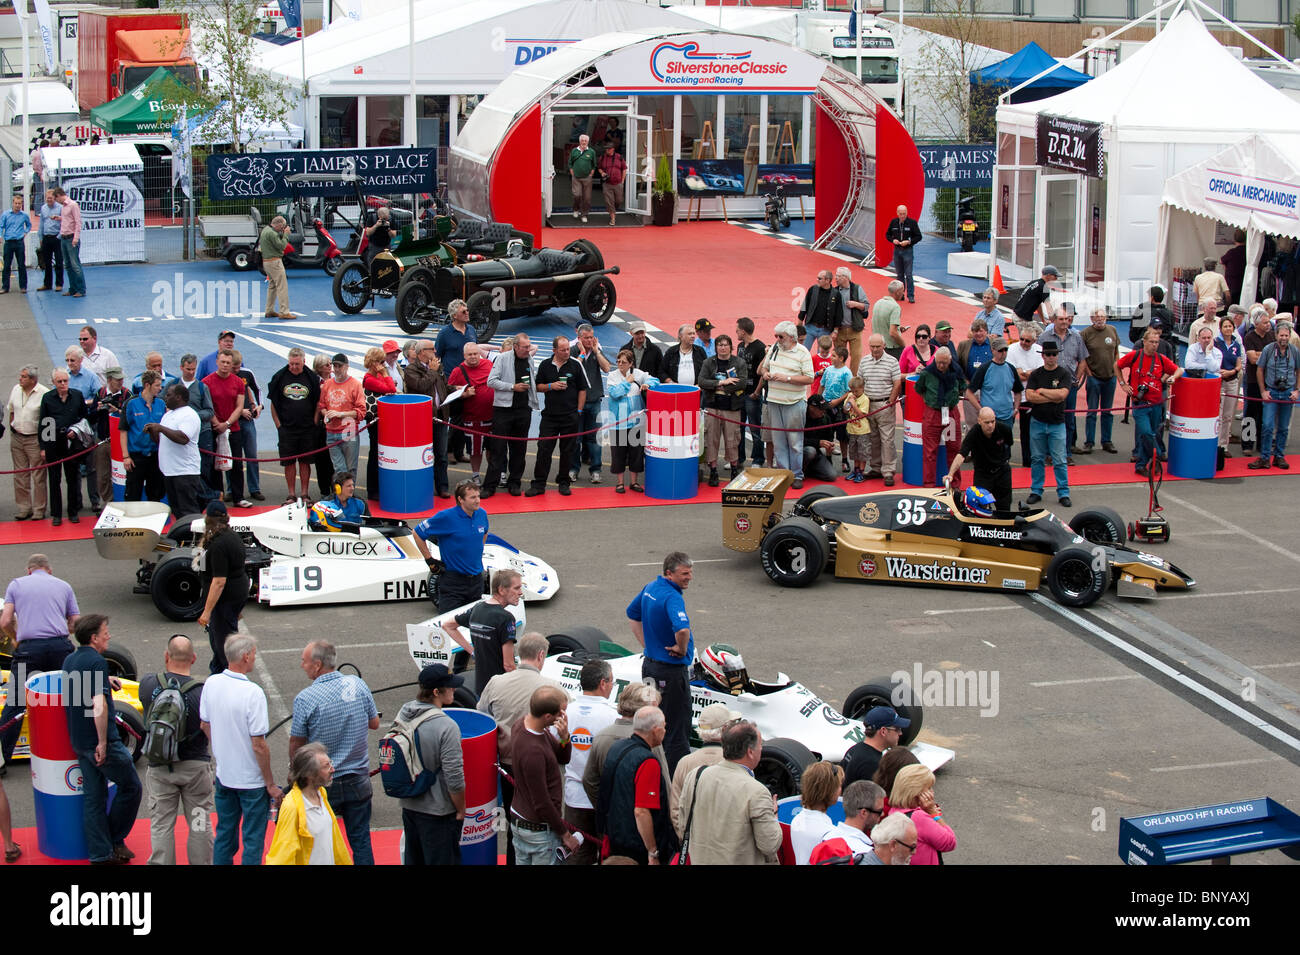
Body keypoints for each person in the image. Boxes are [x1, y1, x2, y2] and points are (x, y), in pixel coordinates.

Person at [288, 639, 379, 866]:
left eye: (304, 661)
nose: (302, 666)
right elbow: (375, 723)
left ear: (317, 665)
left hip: (322, 783)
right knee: (360, 841)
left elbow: (296, 744)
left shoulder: (306, 698)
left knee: (321, 841)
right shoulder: (357, 685)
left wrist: (294, 774)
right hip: (358, 779)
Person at [63, 614, 142, 864]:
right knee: (131, 787)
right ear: (94, 638)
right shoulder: (97, 662)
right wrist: (103, 743)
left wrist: (105, 681)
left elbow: (79, 688)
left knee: (93, 798)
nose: (109, 636)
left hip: (78, 740)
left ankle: (100, 854)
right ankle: (116, 839)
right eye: (105, 632)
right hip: (99, 741)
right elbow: (98, 705)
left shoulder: (70, 660)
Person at [476, 633, 559, 865]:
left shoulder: (496, 682)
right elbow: (563, 726)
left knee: (515, 820)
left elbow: (482, 718)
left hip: (507, 765)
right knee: (542, 821)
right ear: (541, 656)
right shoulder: (551, 687)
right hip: (541, 767)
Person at [200, 633, 283, 865]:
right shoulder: (252, 693)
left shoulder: (212, 683)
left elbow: (205, 724)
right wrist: (269, 782)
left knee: (225, 833)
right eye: (254, 654)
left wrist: (223, 749)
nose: (255, 658)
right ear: (246, 656)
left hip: (225, 776)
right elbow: (259, 745)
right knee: (253, 839)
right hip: (251, 782)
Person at [138, 635, 212, 866]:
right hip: (195, 769)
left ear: (166, 656)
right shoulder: (203, 693)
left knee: (162, 825)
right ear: (194, 658)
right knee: (199, 824)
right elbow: (207, 727)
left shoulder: (149, 684)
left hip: (160, 767)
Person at [0, 555, 78, 762]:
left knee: (15, 702)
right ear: (49, 570)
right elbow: (75, 623)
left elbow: (5, 620)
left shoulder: (16, 585)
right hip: (60, 647)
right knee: (73, 697)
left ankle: (2, 757)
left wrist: (17, 639)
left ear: (29, 571)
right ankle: (77, 750)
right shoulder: (64, 586)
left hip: (29, 650)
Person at [675, 720, 782, 865]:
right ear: (750, 752)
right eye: (760, 745)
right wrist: (774, 816)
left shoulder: (696, 776)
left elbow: (682, 826)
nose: (761, 749)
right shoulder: (756, 791)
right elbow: (769, 845)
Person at [626, 552, 696, 774]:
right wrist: (681, 648)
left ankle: (650, 766)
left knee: (652, 717)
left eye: (690, 572)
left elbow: (632, 613)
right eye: (684, 573)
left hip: (651, 666)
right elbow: (682, 629)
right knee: (676, 727)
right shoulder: (672, 597)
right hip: (671, 672)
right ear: (669, 573)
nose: (689, 577)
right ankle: (675, 776)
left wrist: (647, 645)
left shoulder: (650, 588)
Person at [396, 662, 468, 866]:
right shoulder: (446, 726)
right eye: (450, 685)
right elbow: (454, 777)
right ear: (436, 691)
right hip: (438, 813)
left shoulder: (404, 712)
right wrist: (461, 809)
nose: (455, 688)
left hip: (409, 805)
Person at [595, 706, 677, 865]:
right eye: (665, 727)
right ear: (656, 730)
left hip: (613, 837)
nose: (665, 731)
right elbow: (641, 812)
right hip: (636, 847)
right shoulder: (648, 762)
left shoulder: (617, 747)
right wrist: (653, 852)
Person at [510, 685, 579, 864]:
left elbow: (563, 758)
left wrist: (565, 738)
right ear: (548, 716)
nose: (563, 717)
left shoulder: (525, 726)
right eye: (561, 713)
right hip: (538, 831)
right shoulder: (534, 752)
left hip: (522, 823)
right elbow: (541, 802)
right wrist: (564, 834)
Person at [563, 659, 618, 865]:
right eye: (611, 682)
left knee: (578, 855)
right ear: (603, 683)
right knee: (608, 855)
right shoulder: (613, 717)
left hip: (574, 797)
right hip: (604, 799)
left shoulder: (567, 712)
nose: (612, 686)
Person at [266, 743, 352, 865]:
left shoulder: (321, 793)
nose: (332, 769)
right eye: (326, 766)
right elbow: (282, 853)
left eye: (330, 763)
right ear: (309, 774)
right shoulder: (292, 806)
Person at [441, 568, 522, 696]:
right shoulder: (506, 618)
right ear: (501, 590)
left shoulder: (478, 608)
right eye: (516, 588)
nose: (520, 593)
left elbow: (448, 625)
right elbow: (508, 665)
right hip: (500, 690)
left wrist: (473, 652)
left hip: (481, 688)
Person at [414, 480, 489, 614]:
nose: (477, 500)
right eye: (473, 497)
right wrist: (429, 559)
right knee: (448, 625)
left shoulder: (482, 514)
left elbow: (485, 531)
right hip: (453, 583)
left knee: (473, 626)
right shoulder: (446, 517)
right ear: (460, 499)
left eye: (478, 496)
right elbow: (417, 532)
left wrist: (477, 550)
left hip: (477, 580)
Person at [527, 335, 587, 497]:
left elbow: (583, 389)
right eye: (563, 350)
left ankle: (564, 482)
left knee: (567, 451)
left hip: (570, 416)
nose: (567, 352)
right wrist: (550, 386)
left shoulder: (576, 365)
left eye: (568, 349)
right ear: (554, 350)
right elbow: (538, 387)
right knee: (543, 451)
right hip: (550, 417)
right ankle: (539, 484)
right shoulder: (546, 365)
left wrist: (579, 412)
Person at [1118, 328, 1182, 478]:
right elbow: (1117, 366)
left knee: (1152, 433)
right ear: (1144, 342)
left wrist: (1173, 378)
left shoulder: (1160, 359)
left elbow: (1177, 370)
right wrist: (1122, 383)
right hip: (1140, 404)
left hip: (1156, 404)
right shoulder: (1134, 356)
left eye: (1157, 342)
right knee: (1146, 433)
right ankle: (1157, 454)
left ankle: (1142, 464)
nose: (1154, 345)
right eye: (1152, 342)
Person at [668, 702, 738, 838]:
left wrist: (686, 839)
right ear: (724, 729)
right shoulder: (735, 762)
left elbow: (675, 809)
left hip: (690, 844)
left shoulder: (685, 762)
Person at [757, 321, 814, 488]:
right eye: (776, 336)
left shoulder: (803, 353)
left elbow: (809, 378)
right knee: (779, 440)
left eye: (780, 336)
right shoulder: (775, 348)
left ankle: (797, 474)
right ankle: (783, 473)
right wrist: (766, 374)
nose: (777, 339)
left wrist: (787, 378)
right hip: (774, 400)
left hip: (794, 402)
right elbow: (762, 369)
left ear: (791, 337)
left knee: (795, 440)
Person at [482, 333, 538, 499]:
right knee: (498, 449)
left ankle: (515, 483)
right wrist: (512, 387)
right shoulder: (502, 358)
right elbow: (491, 381)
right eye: (525, 347)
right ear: (515, 346)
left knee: (519, 450)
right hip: (503, 410)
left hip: (523, 410)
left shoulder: (529, 359)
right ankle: (489, 485)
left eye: (529, 346)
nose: (529, 350)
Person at [196, 501, 249, 674]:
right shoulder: (229, 536)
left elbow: (219, 581)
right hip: (236, 594)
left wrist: (206, 612)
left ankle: (228, 677)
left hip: (225, 599)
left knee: (223, 645)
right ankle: (217, 672)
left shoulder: (219, 544)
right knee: (220, 642)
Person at [268, 348, 320, 503]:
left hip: (307, 428)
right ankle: (291, 494)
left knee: (305, 462)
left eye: (297, 364)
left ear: (304, 361)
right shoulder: (279, 377)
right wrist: (278, 425)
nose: (294, 367)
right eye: (291, 364)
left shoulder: (311, 377)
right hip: (287, 429)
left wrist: (315, 422)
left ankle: (304, 494)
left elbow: (318, 402)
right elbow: (273, 403)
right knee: (289, 462)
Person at [1025, 340, 1073, 506]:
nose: (1051, 357)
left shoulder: (1064, 374)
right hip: (1038, 422)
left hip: (1057, 423)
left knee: (1059, 459)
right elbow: (1030, 396)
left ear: (1057, 355)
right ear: (1043, 356)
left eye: (1054, 354)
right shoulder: (1036, 374)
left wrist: (1043, 391)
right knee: (1037, 458)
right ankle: (1036, 490)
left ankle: (1063, 492)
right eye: (1048, 354)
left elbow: (1062, 395)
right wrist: (1052, 396)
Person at [38, 369, 87, 526]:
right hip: (53, 442)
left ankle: (73, 512)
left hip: (71, 443)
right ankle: (56, 514)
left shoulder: (77, 395)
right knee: (54, 479)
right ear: (54, 383)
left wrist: (76, 431)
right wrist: (44, 447)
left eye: (65, 381)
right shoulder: (47, 398)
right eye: (60, 382)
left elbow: (84, 418)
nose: (63, 384)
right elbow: (44, 423)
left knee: (73, 478)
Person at [1038, 307, 1090, 457]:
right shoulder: (1044, 336)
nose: (1065, 322)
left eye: (1067, 319)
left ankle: (1066, 453)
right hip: (1049, 386)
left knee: (1068, 420)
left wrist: (1075, 380)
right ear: (1054, 320)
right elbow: (1037, 359)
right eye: (1061, 319)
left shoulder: (1076, 337)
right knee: (1048, 418)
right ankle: (1048, 453)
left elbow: (1082, 360)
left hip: (1069, 386)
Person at [204, 350, 252, 508]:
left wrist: (227, 424)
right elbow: (207, 405)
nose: (225, 365)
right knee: (214, 465)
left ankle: (238, 497)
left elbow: (239, 406)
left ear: (232, 365)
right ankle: (218, 497)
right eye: (222, 362)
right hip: (214, 429)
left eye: (228, 363)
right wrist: (216, 423)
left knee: (236, 464)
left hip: (233, 428)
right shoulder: (207, 382)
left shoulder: (238, 382)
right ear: (217, 362)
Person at [149, 384, 205, 518]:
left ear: (179, 397)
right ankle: (183, 537)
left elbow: (183, 438)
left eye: (168, 395)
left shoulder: (189, 415)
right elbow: (161, 440)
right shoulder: (168, 415)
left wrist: (161, 428)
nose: (165, 397)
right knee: (177, 509)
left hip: (185, 472)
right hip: (170, 471)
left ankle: (194, 537)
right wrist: (153, 431)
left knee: (189, 510)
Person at [1251, 319, 1300, 470]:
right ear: (1276, 335)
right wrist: (1263, 391)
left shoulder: (1294, 351)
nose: (1284, 338)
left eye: (1286, 335)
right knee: (1267, 425)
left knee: (1283, 427)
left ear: (1289, 336)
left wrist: (1297, 390)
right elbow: (1260, 370)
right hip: (1271, 392)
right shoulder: (1268, 349)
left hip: (1288, 393)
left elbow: (1299, 371)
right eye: (1281, 335)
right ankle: (1265, 457)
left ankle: (1279, 456)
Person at [700, 334, 748, 486]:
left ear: (731, 346)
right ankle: (713, 470)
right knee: (711, 440)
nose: (722, 347)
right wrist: (721, 382)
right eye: (720, 345)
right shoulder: (708, 362)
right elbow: (702, 381)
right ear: (716, 348)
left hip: (731, 408)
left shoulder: (739, 362)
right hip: (712, 407)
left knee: (732, 439)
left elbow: (742, 382)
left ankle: (734, 468)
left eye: (725, 344)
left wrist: (723, 387)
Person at [947, 407, 1015, 512]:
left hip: (1002, 471)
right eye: (987, 422)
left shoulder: (1004, 429)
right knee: (979, 506)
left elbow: (1009, 444)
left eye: (993, 421)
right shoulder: (973, 433)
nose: (990, 425)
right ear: (979, 421)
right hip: (983, 473)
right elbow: (961, 455)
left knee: (1004, 507)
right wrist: (950, 474)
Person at [916, 347, 965, 487]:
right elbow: (919, 388)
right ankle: (929, 485)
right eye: (938, 362)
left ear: (950, 360)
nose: (941, 366)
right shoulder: (927, 373)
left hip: (951, 412)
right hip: (933, 413)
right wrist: (930, 399)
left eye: (944, 363)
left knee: (955, 450)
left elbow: (962, 385)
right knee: (929, 452)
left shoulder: (956, 371)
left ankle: (955, 485)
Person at [887, 764, 955, 865]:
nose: (932, 792)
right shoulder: (918, 818)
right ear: (916, 791)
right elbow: (949, 843)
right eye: (929, 788)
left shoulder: (893, 811)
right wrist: (934, 814)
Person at [605, 348, 653, 493]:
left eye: (624, 362)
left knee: (636, 453)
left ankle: (634, 482)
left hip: (637, 422)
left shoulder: (638, 374)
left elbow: (654, 379)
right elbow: (615, 394)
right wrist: (626, 382)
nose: (620, 364)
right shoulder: (612, 376)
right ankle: (620, 483)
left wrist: (647, 384)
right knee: (618, 454)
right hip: (618, 423)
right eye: (618, 361)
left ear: (631, 363)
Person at [446, 341, 493, 485]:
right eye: (469, 354)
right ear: (464, 356)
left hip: (493, 416)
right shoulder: (457, 371)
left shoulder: (489, 365)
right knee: (475, 451)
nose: (473, 357)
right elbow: (449, 391)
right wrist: (463, 394)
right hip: (472, 418)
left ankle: (494, 474)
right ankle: (476, 475)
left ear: (480, 354)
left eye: (475, 354)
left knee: (493, 448)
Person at [966, 337, 1021, 450]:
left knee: (1005, 449)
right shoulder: (985, 368)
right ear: (993, 350)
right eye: (1000, 350)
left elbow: (1018, 391)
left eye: (1005, 350)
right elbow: (969, 392)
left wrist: (1016, 408)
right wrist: (981, 410)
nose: (1003, 353)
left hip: (1007, 417)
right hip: (990, 419)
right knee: (988, 450)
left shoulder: (1011, 368)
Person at [570, 323, 609, 484]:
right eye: (586, 338)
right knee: (575, 439)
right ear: (579, 338)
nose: (589, 340)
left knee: (594, 439)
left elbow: (607, 368)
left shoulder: (596, 350)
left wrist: (596, 351)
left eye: (591, 337)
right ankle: (573, 469)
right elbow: (572, 372)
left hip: (594, 401)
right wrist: (582, 353)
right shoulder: (571, 351)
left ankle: (596, 470)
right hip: (576, 403)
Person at [8, 364, 47, 520]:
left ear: (33, 379)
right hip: (17, 438)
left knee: (38, 476)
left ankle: (39, 509)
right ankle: (24, 508)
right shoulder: (16, 389)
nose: (20, 379)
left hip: (34, 439)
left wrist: (45, 445)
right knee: (20, 475)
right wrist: (13, 427)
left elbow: (48, 421)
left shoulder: (44, 393)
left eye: (24, 376)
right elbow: (11, 410)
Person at [1078, 308, 1120, 453]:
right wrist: (1089, 374)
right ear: (1091, 319)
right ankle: (1089, 442)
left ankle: (1106, 441)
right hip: (1094, 378)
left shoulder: (1112, 330)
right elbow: (1081, 356)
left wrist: (1116, 369)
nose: (1100, 319)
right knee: (1092, 411)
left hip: (1110, 377)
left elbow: (1116, 351)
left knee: (1107, 411)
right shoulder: (1085, 334)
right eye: (1097, 317)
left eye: (1102, 316)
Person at [121, 371, 166, 502]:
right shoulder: (131, 404)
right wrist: (126, 457)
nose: (160, 388)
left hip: (155, 456)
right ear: (147, 385)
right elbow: (123, 431)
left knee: (155, 494)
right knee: (133, 495)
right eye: (157, 385)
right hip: (136, 458)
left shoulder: (161, 404)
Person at [319, 353, 365, 479]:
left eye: (340, 366)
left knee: (350, 468)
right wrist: (326, 414)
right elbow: (321, 405)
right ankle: (341, 496)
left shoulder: (355, 385)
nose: (337, 369)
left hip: (348, 429)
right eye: (335, 366)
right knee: (339, 468)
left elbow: (361, 411)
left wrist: (341, 414)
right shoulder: (327, 384)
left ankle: (348, 495)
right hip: (331, 430)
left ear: (347, 366)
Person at [361, 346, 398, 495]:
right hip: (374, 420)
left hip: (383, 419)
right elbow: (391, 389)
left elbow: (389, 387)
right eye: (381, 362)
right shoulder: (369, 379)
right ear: (374, 362)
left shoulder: (377, 377)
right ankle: (373, 489)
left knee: (380, 452)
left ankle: (379, 486)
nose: (383, 365)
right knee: (375, 452)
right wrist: (385, 373)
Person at [841, 706, 910, 786]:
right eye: (897, 729)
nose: (900, 733)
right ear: (883, 731)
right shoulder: (872, 764)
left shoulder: (855, 749)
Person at [790, 761, 843, 864]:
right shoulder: (830, 834)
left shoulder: (797, 820)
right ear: (829, 790)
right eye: (839, 785)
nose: (841, 790)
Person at [1007, 323, 1043, 466]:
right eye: (1021, 339)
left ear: (1034, 341)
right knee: (1007, 428)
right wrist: (1029, 373)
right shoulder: (1012, 349)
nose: (1023, 343)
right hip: (1012, 396)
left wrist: (1025, 372)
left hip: (1029, 396)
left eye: (1027, 341)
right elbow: (1015, 374)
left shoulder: (1039, 350)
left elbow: (1038, 374)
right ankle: (1005, 458)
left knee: (1028, 430)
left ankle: (1028, 460)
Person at [1241, 307, 1276, 456]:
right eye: (1265, 323)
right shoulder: (1249, 337)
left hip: (1268, 379)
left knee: (1264, 413)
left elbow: (1274, 356)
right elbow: (1253, 359)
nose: (1268, 325)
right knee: (1251, 412)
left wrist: (1261, 354)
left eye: (1268, 322)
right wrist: (1266, 355)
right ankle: (1247, 444)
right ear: (1256, 324)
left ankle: (1262, 444)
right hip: (1252, 380)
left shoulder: (1272, 336)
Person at [92, 367, 129, 505]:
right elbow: (90, 416)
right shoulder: (100, 393)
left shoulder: (127, 394)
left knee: (122, 475)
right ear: (109, 380)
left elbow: (130, 417)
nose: (121, 382)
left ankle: (123, 501)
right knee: (102, 476)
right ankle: (108, 503)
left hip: (120, 442)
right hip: (103, 440)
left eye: (121, 379)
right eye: (117, 379)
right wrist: (97, 409)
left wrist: (117, 411)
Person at [231, 351, 264, 501]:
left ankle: (254, 488)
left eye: (238, 367)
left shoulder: (247, 373)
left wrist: (259, 405)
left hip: (248, 418)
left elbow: (258, 389)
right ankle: (231, 490)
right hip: (233, 420)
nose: (236, 371)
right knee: (231, 456)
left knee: (251, 455)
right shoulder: (225, 376)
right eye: (234, 368)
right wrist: (239, 411)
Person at [736, 318, 767, 465]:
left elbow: (762, 372)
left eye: (737, 330)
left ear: (743, 331)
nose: (736, 332)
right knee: (738, 428)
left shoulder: (760, 347)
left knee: (755, 428)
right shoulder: (740, 346)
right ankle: (739, 457)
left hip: (752, 393)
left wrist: (757, 392)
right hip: (740, 393)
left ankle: (758, 459)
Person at [1215, 316, 1244, 456]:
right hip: (1219, 382)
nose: (1228, 329)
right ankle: (1215, 445)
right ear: (1220, 329)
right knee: (1218, 415)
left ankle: (1224, 445)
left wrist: (1232, 371)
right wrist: (1220, 372)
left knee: (1227, 416)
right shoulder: (1215, 343)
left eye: (1230, 326)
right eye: (1225, 326)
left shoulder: (1236, 344)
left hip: (1232, 381)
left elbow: (1239, 364)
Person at [834, 780, 886, 853]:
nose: (883, 814)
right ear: (864, 813)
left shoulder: (827, 837)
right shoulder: (864, 852)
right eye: (879, 811)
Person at [833, 266, 869, 370]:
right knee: (839, 357)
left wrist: (855, 304)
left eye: (838, 276)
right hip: (840, 330)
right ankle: (839, 376)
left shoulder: (857, 288)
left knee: (856, 357)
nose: (836, 278)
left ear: (846, 278)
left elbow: (866, 306)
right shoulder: (834, 291)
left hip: (855, 329)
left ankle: (853, 380)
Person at [885, 204, 921, 303]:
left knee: (908, 274)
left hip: (908, 251)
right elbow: (887, 234)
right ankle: (900, 294)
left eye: (904, 214)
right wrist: (893, 240)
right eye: (900, 214)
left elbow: (918, 236)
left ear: (907, 213)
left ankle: (911, 295)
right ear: (897, 213)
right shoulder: (893, 222)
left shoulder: (912, 223)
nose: (902, 216)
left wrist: (909, 242)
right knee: (899, 274)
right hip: (897, 250)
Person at [52, 187, 85, 297]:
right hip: (64, 237)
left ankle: (81, 289)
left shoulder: (73, 205)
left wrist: (76, 238)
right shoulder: (64, 207)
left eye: (56, 199)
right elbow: (68, 219)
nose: (57, 202)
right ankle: (73, 288)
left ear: (59, 196)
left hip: (71, 238)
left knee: (75, 264)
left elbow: (78, 222)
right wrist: (60, 218)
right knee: (68, 265)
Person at [260, 214, 292, 319]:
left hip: (267, 262)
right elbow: (282, 245)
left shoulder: (265, 230)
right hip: (275, 262)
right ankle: (284, 312)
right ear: (277, 225)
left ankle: (269, 310)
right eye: (282, 227)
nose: (282, 229)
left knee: (272, 286)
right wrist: (286, 234)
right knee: (282, 286)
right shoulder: (272, 234)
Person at [798, 270, 840, 350]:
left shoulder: (836, 294)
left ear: (827, 280)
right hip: (810, 327)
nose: (817, 280)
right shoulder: (813, 289)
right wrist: (800, 322)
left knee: (822, 354)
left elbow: (838, 313)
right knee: (803, 351)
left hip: (825, 330)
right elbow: (805, 306)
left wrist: (835, 330)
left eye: (820, 278)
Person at [843, 376, 872, 483]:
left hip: (862, 431)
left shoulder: (865, 399)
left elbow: (861, 415)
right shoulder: (851, 396)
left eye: (857, 391)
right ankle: (855, 470)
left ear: (862, 388)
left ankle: (861, 471)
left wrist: (854, 404)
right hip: (852, 430)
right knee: (854, 452)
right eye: (852, 391)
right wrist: (849, 402)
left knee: (862, 452)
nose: (854, 393)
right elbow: (845, 410)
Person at [0, 194, 30, 293]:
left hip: (19, 242)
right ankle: (5, 287)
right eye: (16, 203)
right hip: (8, 242)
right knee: (7, 265)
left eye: (19, 203)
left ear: (21, 204)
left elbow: (29, 225)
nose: (17, 205)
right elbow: (1, 226)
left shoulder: (24, 215)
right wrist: (0, 236)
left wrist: (25, 232)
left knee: (21, 265)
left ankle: (23, 287)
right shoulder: (5, 214)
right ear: (13, 203)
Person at [36, 188, 63, 292]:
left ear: (55, 198)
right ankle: (47, 284)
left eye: (51, 198)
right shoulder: (43, 208)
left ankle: (59, 284)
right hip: (46, 238)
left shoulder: (60, 208)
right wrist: (40, 237)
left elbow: (63, 223)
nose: (49, 200)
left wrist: (59, 236)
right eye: (47, 198)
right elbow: (41, 224)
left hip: (56, 238)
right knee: (46, 262)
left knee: (59, 261)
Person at [568, 134, 596, 223]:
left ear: (588, 142)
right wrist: (572, 171)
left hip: (587, 178)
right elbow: (570, 163)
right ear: (579, 141)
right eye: (582, 140)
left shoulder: (591, 152)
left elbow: (594, 164)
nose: (584, 142)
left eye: (585, 141)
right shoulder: (574, 151)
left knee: (587, 198)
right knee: (577, 195)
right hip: (576, 177)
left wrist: (592, 173)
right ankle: (576, 209)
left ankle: (584, 215)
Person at [597, 140, 626, 225]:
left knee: (619, 200)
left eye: (608, 149)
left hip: (618, 183)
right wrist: (602, 173)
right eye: (606, 149)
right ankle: (613, 218)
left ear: (613, 149)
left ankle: (613, 210)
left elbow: (624, 169)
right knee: (609, 201)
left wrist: (622, 181)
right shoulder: (602, 157)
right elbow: (599, 168)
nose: (607, 151)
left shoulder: (619, 157)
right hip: (607, 184)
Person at [1221, 228, 1247, 308]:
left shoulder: (1231, 252)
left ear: (1235, 240)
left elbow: (1222, 261)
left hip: (1232, 285)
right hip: (1244, 284)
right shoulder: (1248, 252)